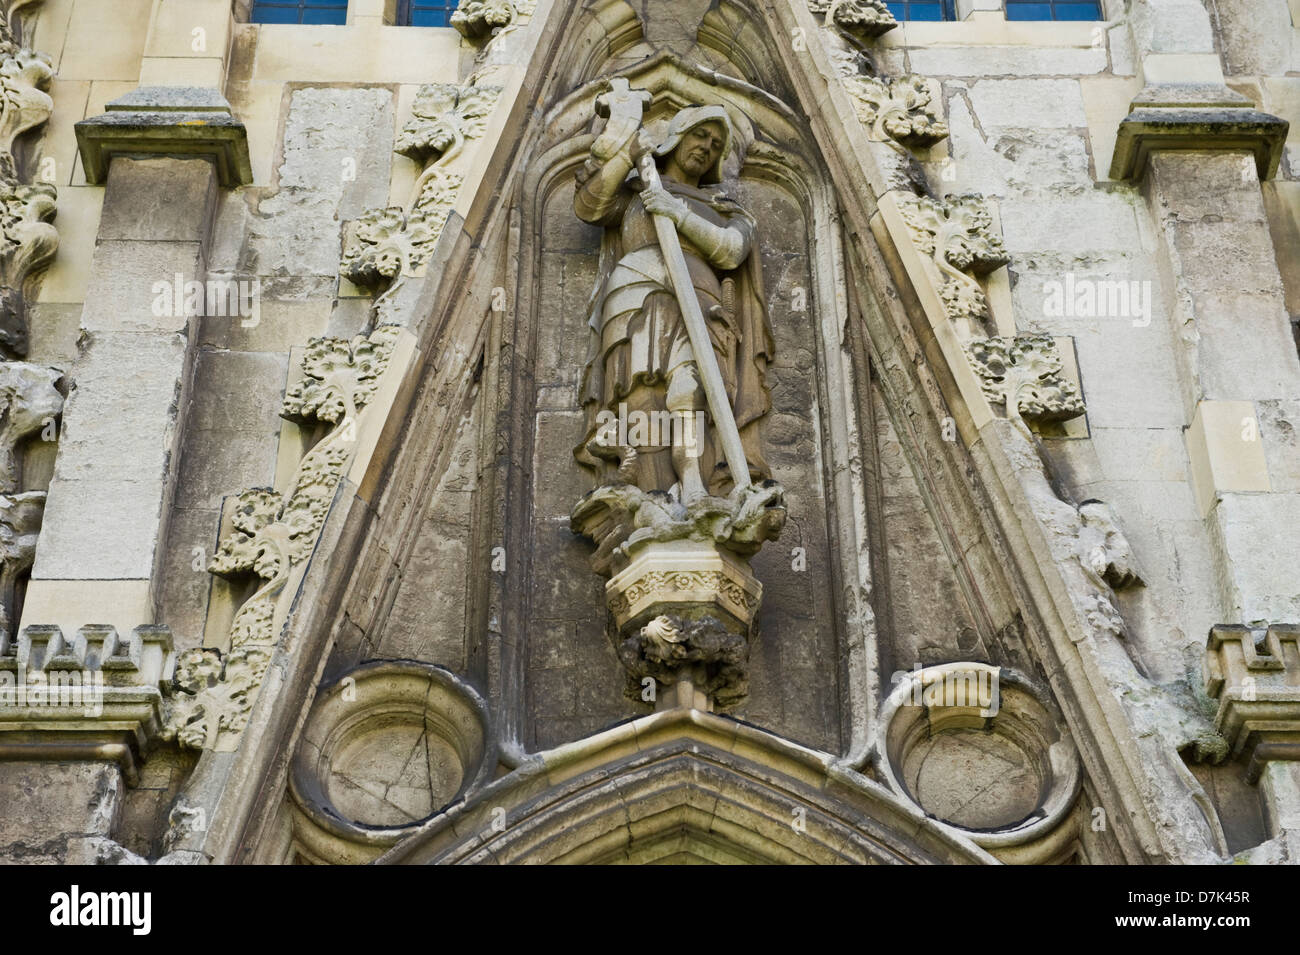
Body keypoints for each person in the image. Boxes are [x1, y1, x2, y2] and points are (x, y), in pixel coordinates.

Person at [573, 104, 774, 501]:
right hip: (635, 297)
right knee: (641, 392)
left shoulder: (725, 211)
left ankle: (696, 487)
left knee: (692, 392)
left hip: (700, 303)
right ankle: (649, 490)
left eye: (716, 145)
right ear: (677, 137)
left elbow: (732, 251)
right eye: (699, 135)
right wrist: (627, 156)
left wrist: (677, 214)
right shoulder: (638, 190)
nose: (706, 147)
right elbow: (589, 207)